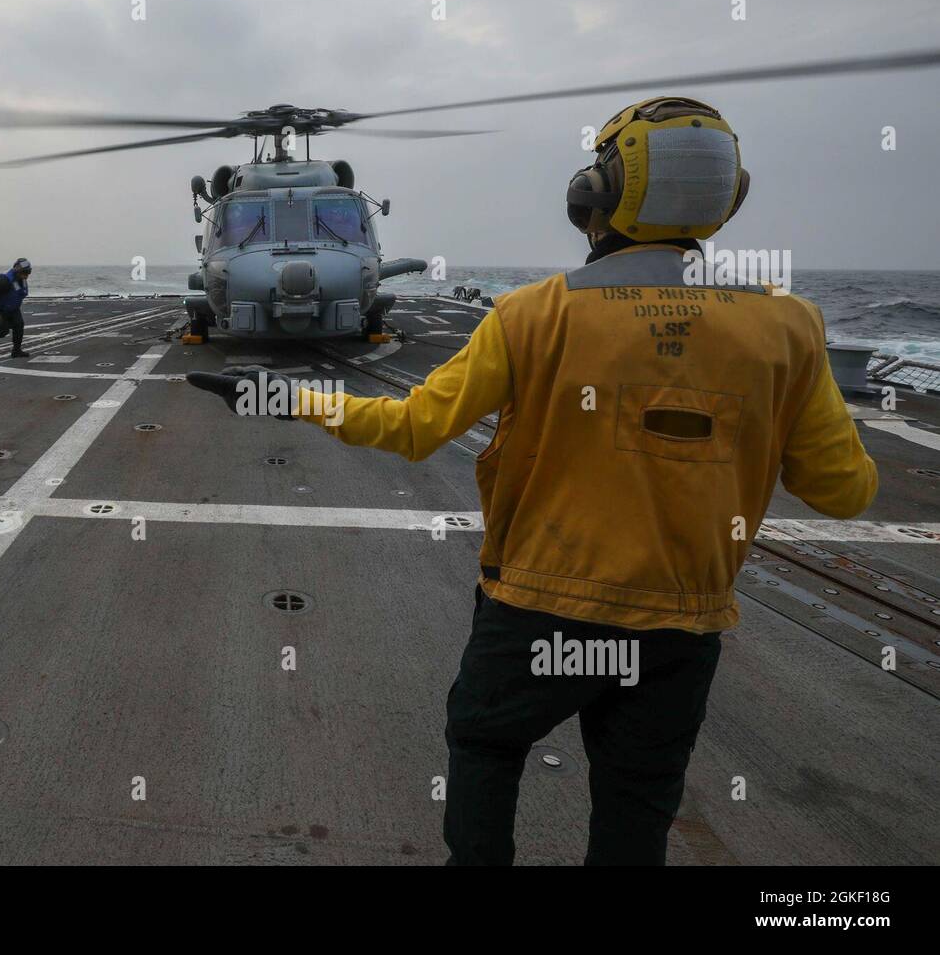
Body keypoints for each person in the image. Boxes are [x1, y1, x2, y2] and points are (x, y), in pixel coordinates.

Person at [187, 97, 879, 866]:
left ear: (596, 195)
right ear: (729, 200)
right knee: (638, 799)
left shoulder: (533, 315)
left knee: (486, 744)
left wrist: (282, 395)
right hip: (682, 628)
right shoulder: (789, 327)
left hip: (539, 612)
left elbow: (412, 428)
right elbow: (844, 491)